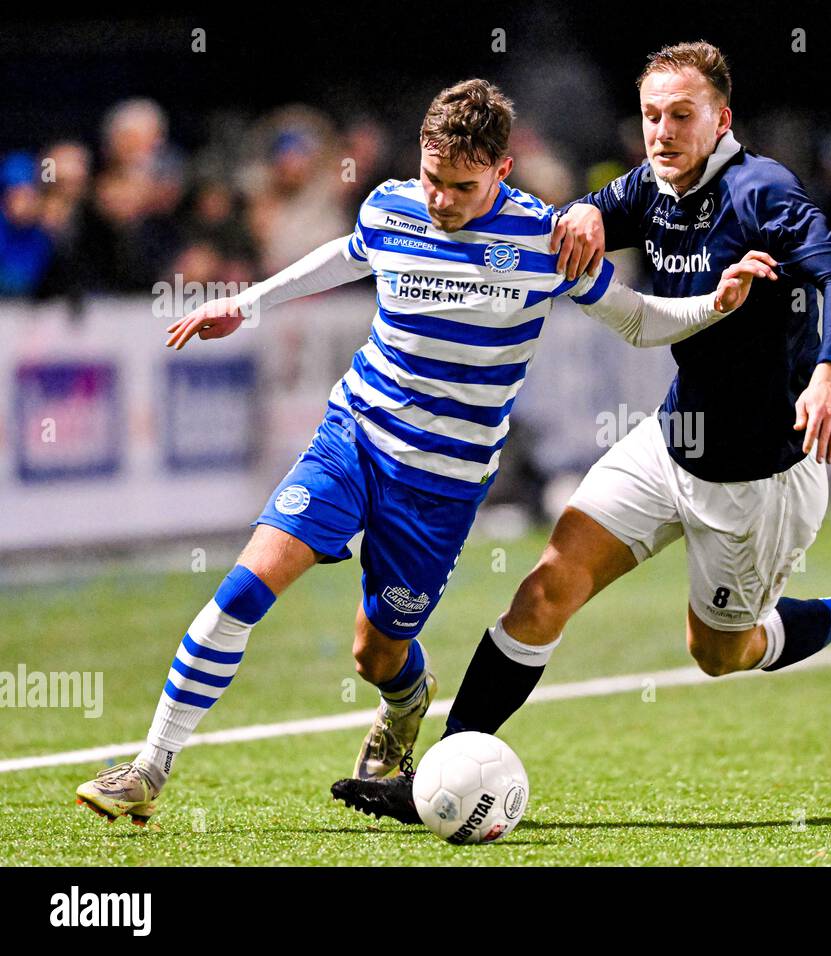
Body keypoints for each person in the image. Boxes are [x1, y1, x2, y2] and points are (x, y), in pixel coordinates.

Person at [74, 78, 778, 824]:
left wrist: (714, 304)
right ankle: (149, 767)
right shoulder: (391, 204)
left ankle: (405, 702)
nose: (440, 199)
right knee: (247, 588)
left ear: (502, 172)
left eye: (461, 187)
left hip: (441, 488)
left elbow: (639, 322)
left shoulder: (543, 241)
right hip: (355, 436)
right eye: (433, 178)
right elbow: (346, 257)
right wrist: (242, 306)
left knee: (375, 655)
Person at [333, 42, 831, 824]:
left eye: (681, 116)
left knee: (719, 654)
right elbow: (606, 205)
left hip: (758, 479)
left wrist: (830, 375)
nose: (662, 131)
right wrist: (585, 210)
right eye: (651, 116)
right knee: (544, 591)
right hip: (668, 445)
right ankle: (434, 771)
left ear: (721, 120)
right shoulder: (657, 182)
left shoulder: (760, 192)